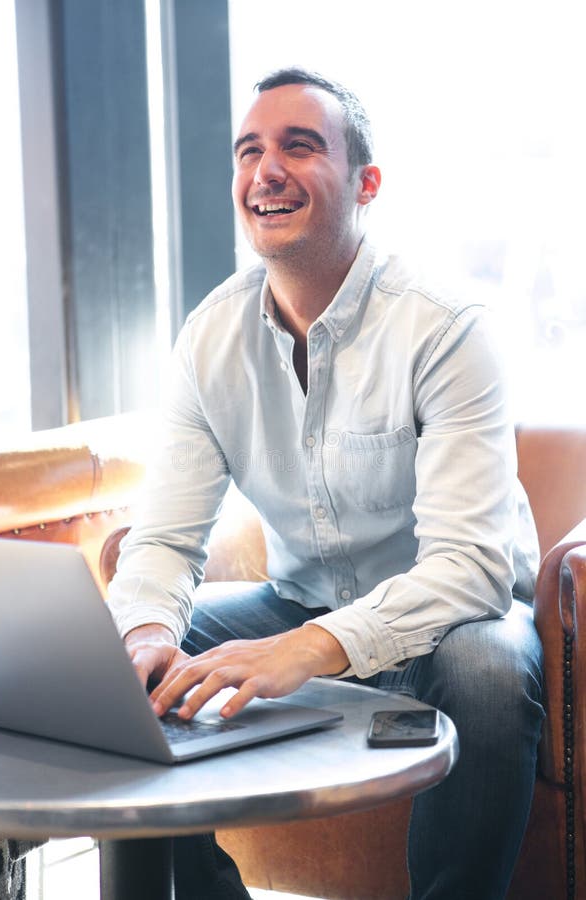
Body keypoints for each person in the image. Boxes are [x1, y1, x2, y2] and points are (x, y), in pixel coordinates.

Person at [107, 67, 544, 900]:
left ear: (365, 183)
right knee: (127, 667)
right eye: (249, 151)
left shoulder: (448, 328)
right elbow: (163, 541)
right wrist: (145, 639)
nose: (265, 170)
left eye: (298, 147)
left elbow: (471, 571)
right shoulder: (210, 338)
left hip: (453, 625)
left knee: (487, 673)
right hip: (298, 600)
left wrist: (299, 653)